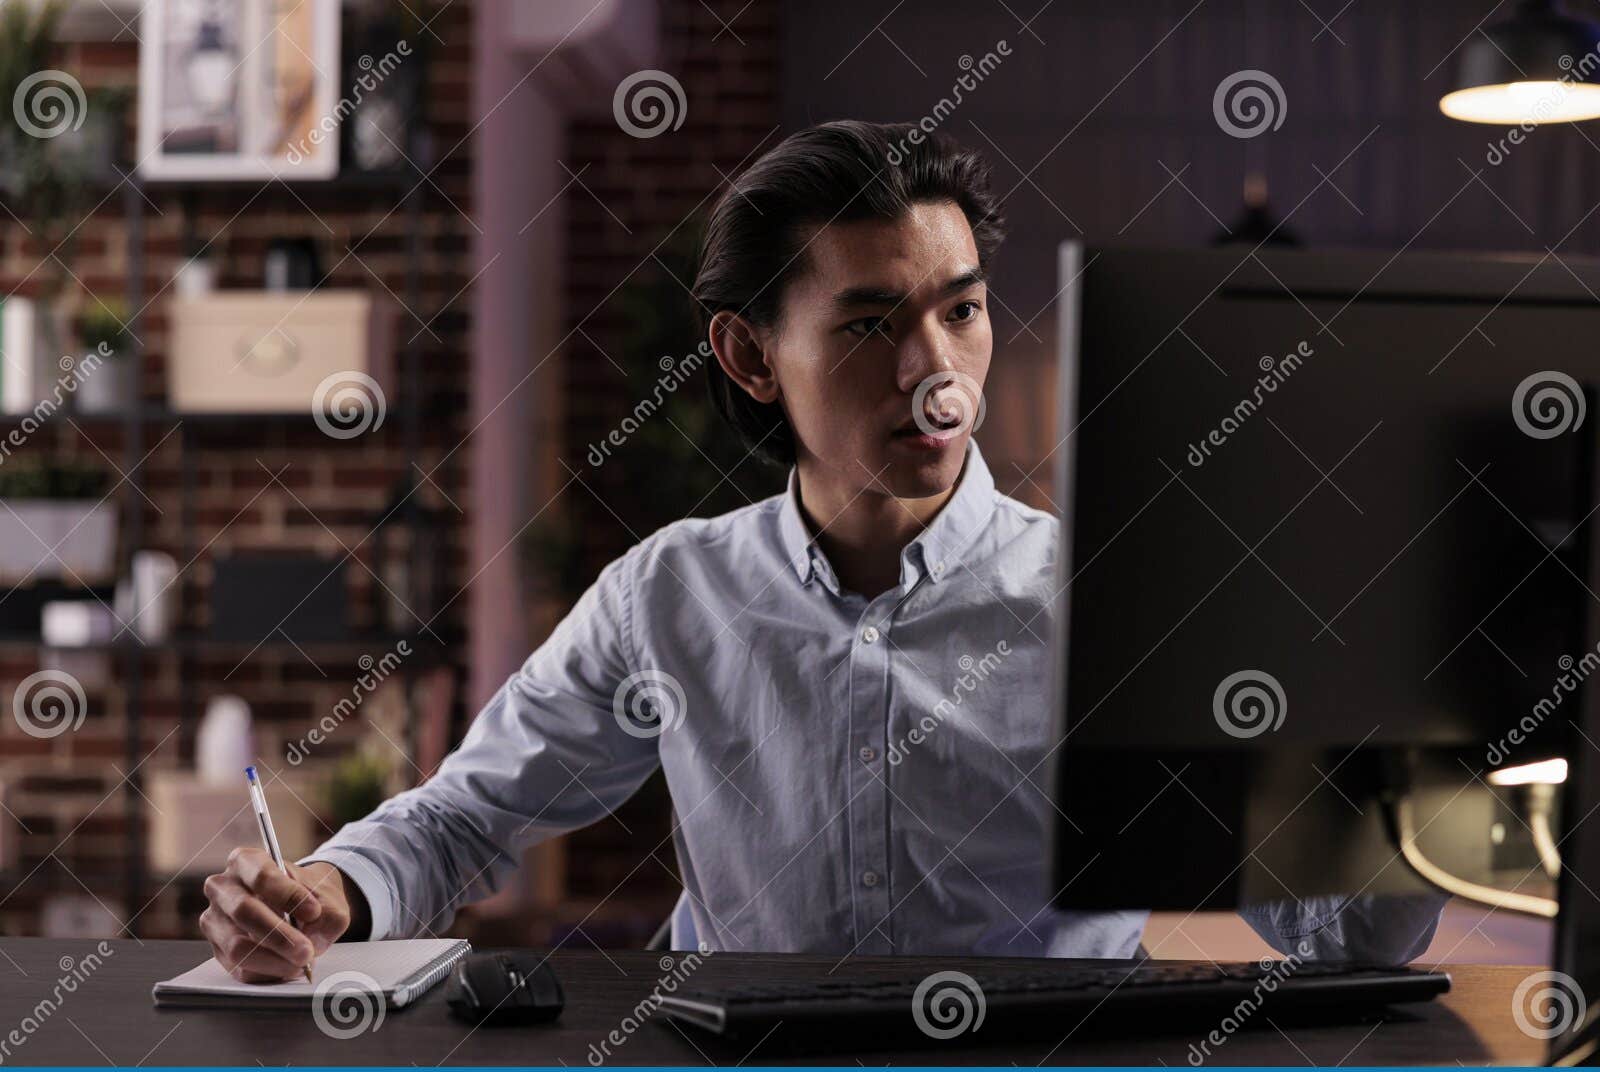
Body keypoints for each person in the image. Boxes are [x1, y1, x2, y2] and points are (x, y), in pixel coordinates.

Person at [199, 120, 1445, 982]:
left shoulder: (1111, 596)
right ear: (748, 356)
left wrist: (1418, 714)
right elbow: (463, 821)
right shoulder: (667, 597)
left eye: (960, 310)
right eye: (869, 325)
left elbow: (1345, 936)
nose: (934, 372)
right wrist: (325, 891)